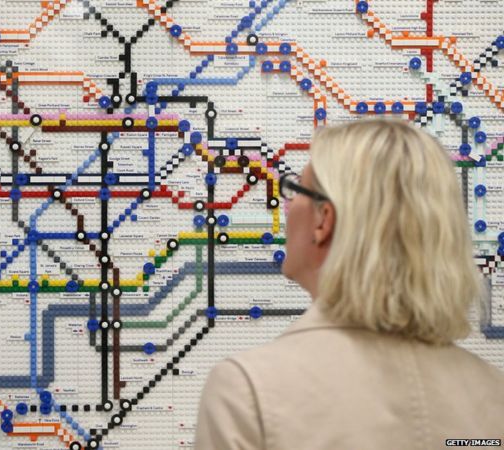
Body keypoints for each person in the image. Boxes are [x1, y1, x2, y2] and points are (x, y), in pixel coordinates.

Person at [194, 118, 504, 449]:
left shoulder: (248, 392)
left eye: (295, 190)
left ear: (323, 220)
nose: (286, 208)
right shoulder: (492, 393)